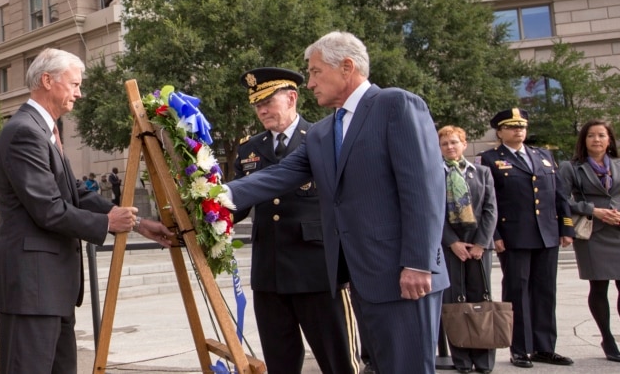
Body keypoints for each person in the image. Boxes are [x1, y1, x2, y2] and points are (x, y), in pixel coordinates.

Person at [225, 32, 448, 374]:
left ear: (347, 67)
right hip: (360, 276)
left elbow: (424, 189)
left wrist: (419, 262)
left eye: (315, 72)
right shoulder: (324, 131)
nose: (310, 83)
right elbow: (281, 175)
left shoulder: (395, 105)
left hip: (405, 274)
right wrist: (215, 195)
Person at [0, 48, 175, 374]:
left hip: (52, 289)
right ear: (47, 81)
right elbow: (48, 209)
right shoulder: (24, 132)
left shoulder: (43, 131)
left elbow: (74, 193)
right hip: (32, 290)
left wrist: (137, 222)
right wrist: (106, 222)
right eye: (75, 84)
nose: (80, 92)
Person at [231, 67, 359, 374]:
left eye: (268, 101)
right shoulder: (250, 148)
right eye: (257, 104)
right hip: (270, 273)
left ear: (291, 98)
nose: (261, 110)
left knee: (338, 360)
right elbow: (237, 206)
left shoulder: (324, 138)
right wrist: (203, 212)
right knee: (280, 363)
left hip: (317, 270)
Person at [479, 108, 574, 368]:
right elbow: (489, 201)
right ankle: (520, 348)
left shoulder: (543, 156)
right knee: (517, 291)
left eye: (521, 126)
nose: (518, 131)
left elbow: (559, 195)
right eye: (511, 127)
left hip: (547, 233)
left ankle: (545, 347)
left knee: (545, 292)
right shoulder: (489, 159)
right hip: (514, 235)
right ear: (499, 132)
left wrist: (566, 228)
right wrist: (494, 234)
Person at [437, 125, 499, 373]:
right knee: (455, 304)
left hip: (479, 246)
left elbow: (490, 209)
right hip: (451, 246)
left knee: (481, 301)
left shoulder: (482, 172)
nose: (450, 147)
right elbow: (434, 212)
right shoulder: (434, 174)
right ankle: (461, 360)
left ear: (464, 144)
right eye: (445, 144)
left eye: (454, 142)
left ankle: (483, 360)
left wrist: (481, 243)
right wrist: (452, 242)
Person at [558, 120, 620, 363]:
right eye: (591, 136)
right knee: (599, 287)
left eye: (602, 135)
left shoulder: (617, 164)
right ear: (584, 140)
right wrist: (593, 209)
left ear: (609, 139)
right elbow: (562, 199)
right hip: (593, 232)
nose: (597, 140)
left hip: (618, 229)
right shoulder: (571, 167)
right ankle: (607, 337)